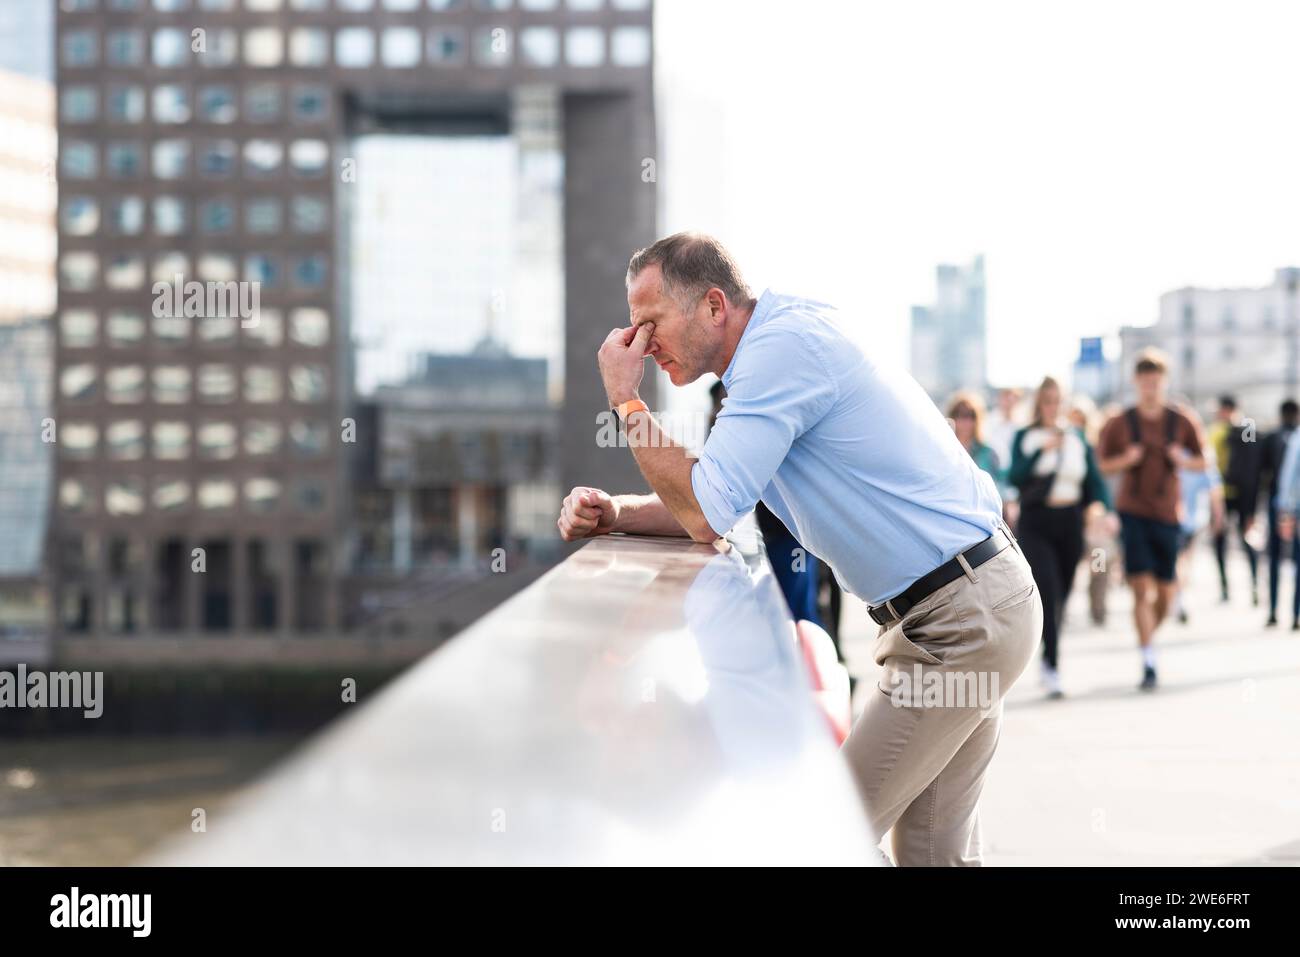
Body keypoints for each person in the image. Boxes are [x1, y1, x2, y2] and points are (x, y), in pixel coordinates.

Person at [556, 232, 1041, 865]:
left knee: (821, 843)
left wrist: (627, 401)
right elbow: (718, 499)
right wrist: (618, 512)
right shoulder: (777, 347)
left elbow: (704, 512)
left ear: (711, 305)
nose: (640, 344)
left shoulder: (780, 355)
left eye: (651, 321)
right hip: (965, 609)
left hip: (959, 622)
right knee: (931, 855)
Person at [1097, 350, 1206, 691]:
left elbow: (1204, 462)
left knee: (1165, 591)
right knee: (1140, 588)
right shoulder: (1120, 421)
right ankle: (1148, 658)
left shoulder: (1182, 420)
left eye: (1155, 381)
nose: (1150, 387)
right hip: (1133, 512)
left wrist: (1182, 460)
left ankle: (1148, 636)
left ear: (1164, 381)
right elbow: (1102, 465)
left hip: (1168, 514)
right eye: (1144, 381)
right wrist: (1126, 459)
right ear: (1136, 382)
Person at [1007, 377, 1114, 698]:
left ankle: (1048, 647)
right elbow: (1015, 475)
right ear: (1039, 403)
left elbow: (1094, 481)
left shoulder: (1077, 437)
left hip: (1069, 521)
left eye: (1057, 400)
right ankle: (1052, 665)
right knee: (1048, 590)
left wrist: (1102, 508)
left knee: (1065, 593)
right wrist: (1042, 450)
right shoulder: (1026, 437)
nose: (1053, 406)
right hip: (1037, 520)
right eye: (1047, 400)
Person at [1172, 409, 1224, 626]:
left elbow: (1213, 488)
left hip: (1182, 516)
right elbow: (1214, 489)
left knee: (1179, 559)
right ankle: (1180, 596)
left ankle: (1179, 596)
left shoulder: (1185, 453)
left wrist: (1218, 515)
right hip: (1188, 517)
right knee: (1184, 559)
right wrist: (1218, 516)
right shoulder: (1201, 452)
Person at [1208, 396, 1261, 605]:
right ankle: (1227, 587)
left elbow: (1251, 461)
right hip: (1226, 494)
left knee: (1242, 539)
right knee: (1222, 540)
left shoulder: (1239, 429)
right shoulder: (1220, 431)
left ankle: (1251, 585)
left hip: (1235, 494)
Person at [1261, 400, 1300, 628]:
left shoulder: (1271, 437)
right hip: (1290, 506)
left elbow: (1282, 476)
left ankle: (1273, 610)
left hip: (1282, 506)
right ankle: (1295, 613)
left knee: (1275, 556)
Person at [947, 391, 1003, 491]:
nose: (966, 421)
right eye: (960, 414)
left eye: (971, 415)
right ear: (952, 417)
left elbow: (1000, 485)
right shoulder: (944, 450)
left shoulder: (989, 452)